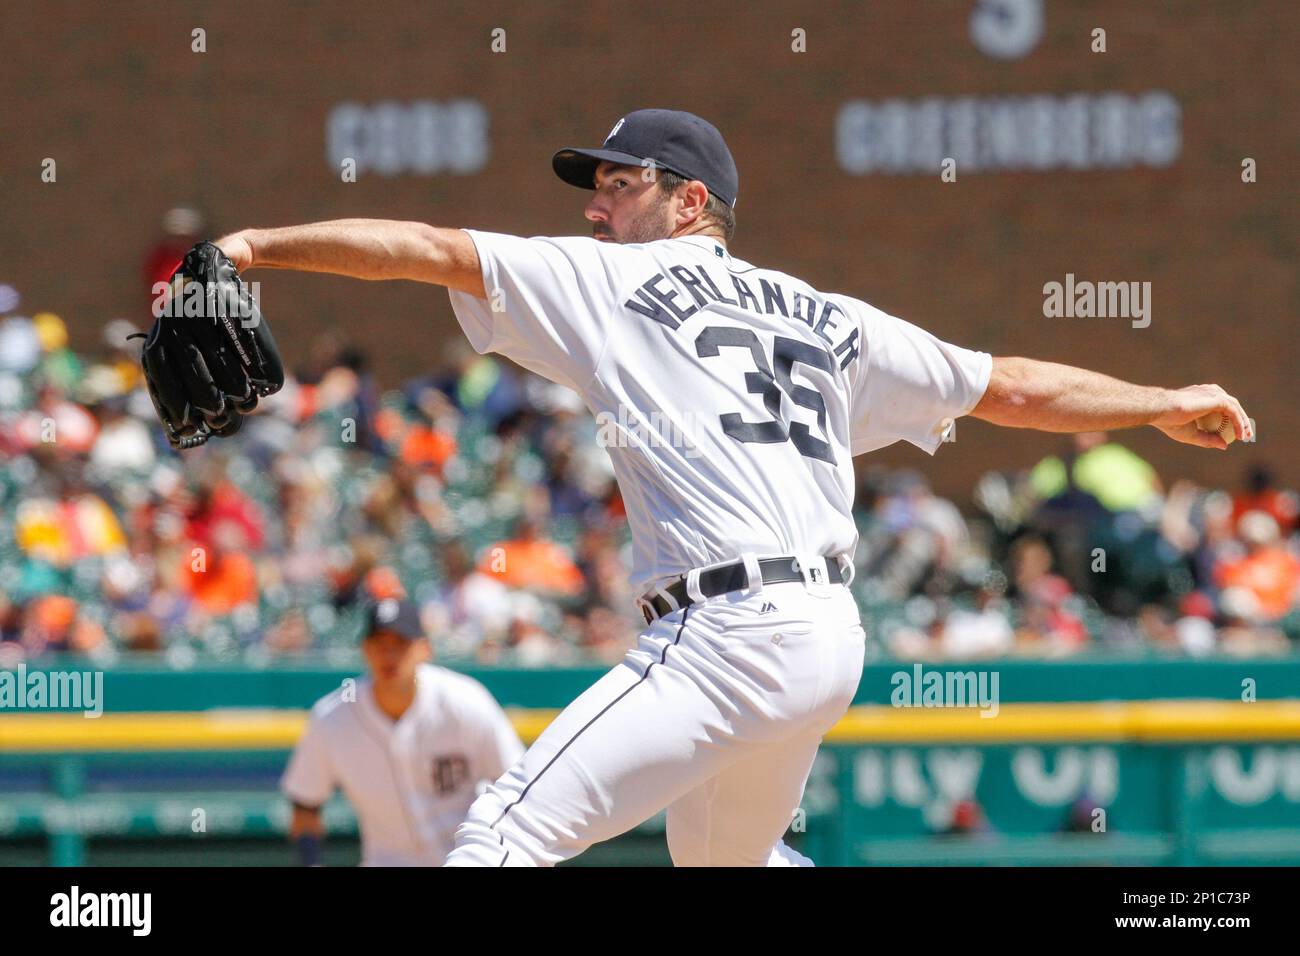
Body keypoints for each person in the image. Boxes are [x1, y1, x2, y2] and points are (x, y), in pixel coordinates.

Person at [218, 108, 1252, 866]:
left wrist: (256, 245)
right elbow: (1013, 389)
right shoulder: (827, 314)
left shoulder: (611, 275)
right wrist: (1157, 397)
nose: (595, 204)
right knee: (727, 862)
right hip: (822, 633)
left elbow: (425, 251)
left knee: (499, 830)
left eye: (619, 184)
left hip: (724, 632)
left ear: (689, 200)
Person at [280, 597, 524, 866]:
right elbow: (305, 806)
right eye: (379, 644)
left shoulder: (465, 702)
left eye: (401, 644)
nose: (389, 655)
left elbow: (521, 790)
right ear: (364, 649)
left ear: (425, 649)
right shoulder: (332, 718)